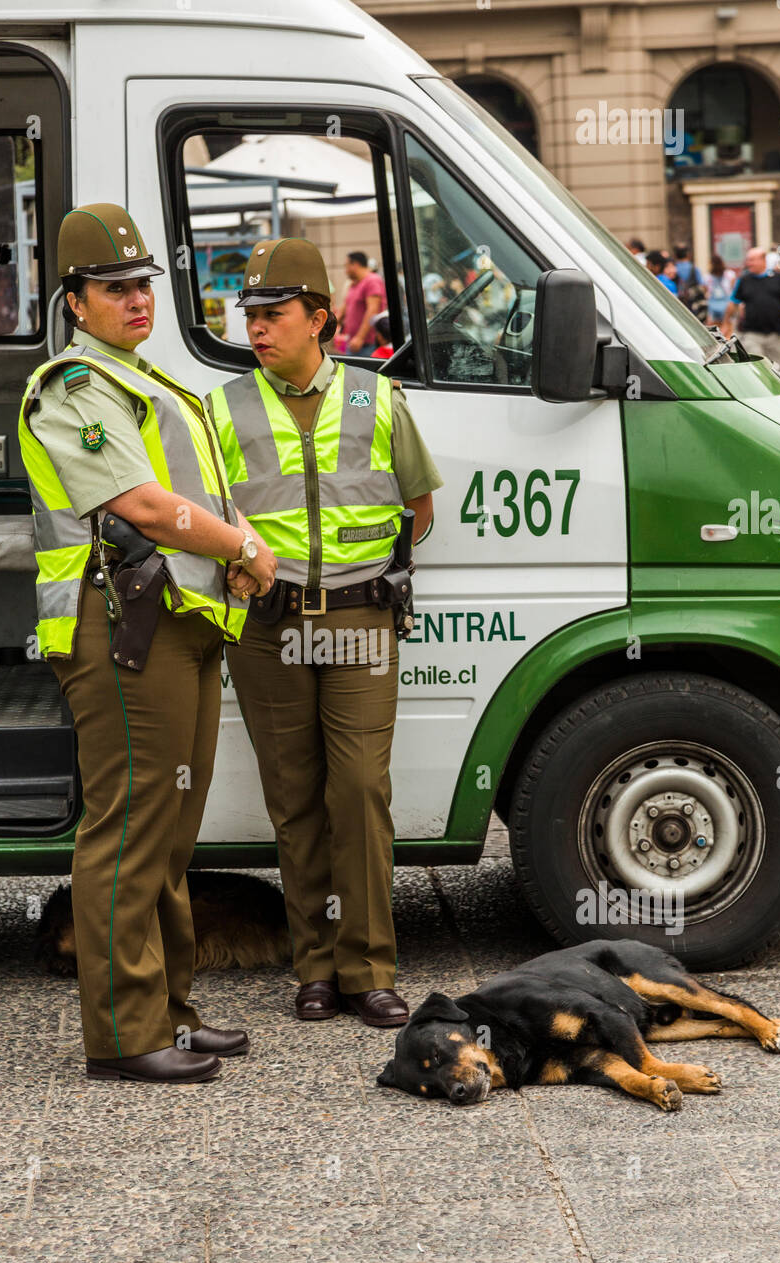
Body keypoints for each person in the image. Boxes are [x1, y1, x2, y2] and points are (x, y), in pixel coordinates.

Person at [18, 203, 276, 1083]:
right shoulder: (74, 388)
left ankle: (169, 1006)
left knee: (168, 828)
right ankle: (126, 1035)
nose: (135, 300)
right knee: (128, 829)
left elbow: (194, 492)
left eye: (142, 286)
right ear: (75, 301)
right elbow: (143, 507)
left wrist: (235, 548)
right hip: (121, 627)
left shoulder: (145, 381)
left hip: (178, 623)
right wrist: (241, 546)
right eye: (114, 289)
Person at [206, 236, 443, 1028]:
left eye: (273, 315)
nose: (257, 329)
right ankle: (314, 968)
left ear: (318, 317)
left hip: (359, 620)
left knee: (360, 791)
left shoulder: (379, 400)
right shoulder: (222, 409)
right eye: (251, 316)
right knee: (295, 798)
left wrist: (356, 566)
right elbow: (202, 516)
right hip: (267, 630)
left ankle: (368, 968)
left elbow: (419, 507)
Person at [721, 246, 780, 371]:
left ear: (763, 260)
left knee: (777, 368)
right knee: (758, 367)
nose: (748, 263)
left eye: (752, 260)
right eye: (748, 260)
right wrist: (726, 322)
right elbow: (733, 302)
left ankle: (775, 390)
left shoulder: (779, 278)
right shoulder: (744, 280)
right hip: (752, 334)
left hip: (775, 334)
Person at [336, 250, 385, 356]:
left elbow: (373, 310)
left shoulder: (372, 280)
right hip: (353, 342)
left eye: (347, 266)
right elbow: (345, 307)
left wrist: (360, 337)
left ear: (355, 265)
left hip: (366, 344)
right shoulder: (354, 283)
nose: (345, 270)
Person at [705, 253, 736, 327]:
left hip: (718, 307)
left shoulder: (707, 278)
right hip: (724, 306)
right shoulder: (730, 275)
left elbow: (707, 292)